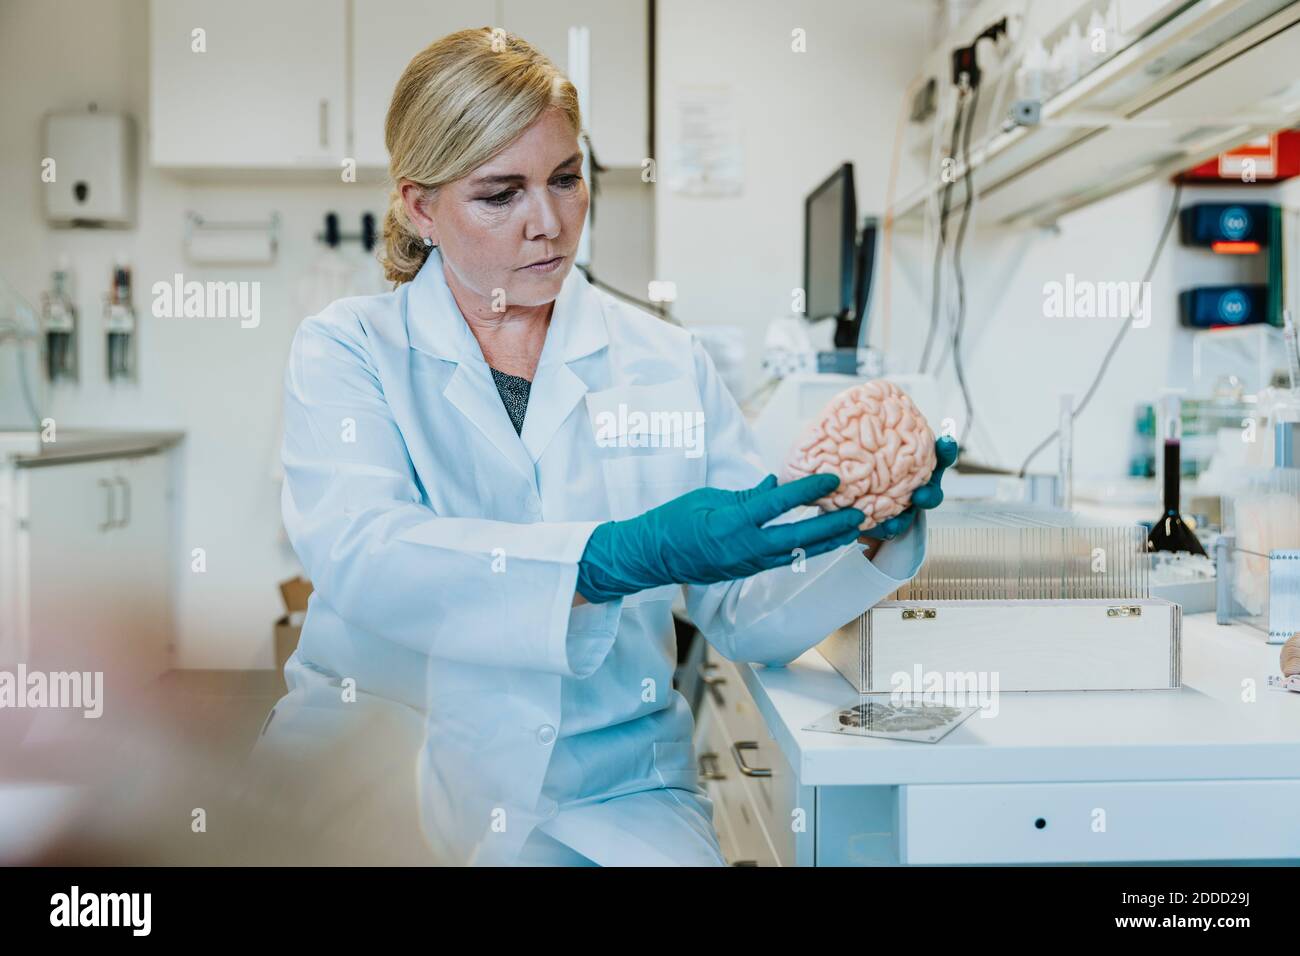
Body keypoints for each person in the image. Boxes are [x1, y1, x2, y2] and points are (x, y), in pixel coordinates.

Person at [259, 27, 955, 866]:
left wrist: (862, 536)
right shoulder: (349, 350)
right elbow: (367, 556)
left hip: (611, 792)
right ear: (420, 207)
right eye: (499, 194)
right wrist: (611, 557)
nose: (549, 223)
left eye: (566, 179)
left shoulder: (664, 360)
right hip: (379, 766)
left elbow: (742, 609)